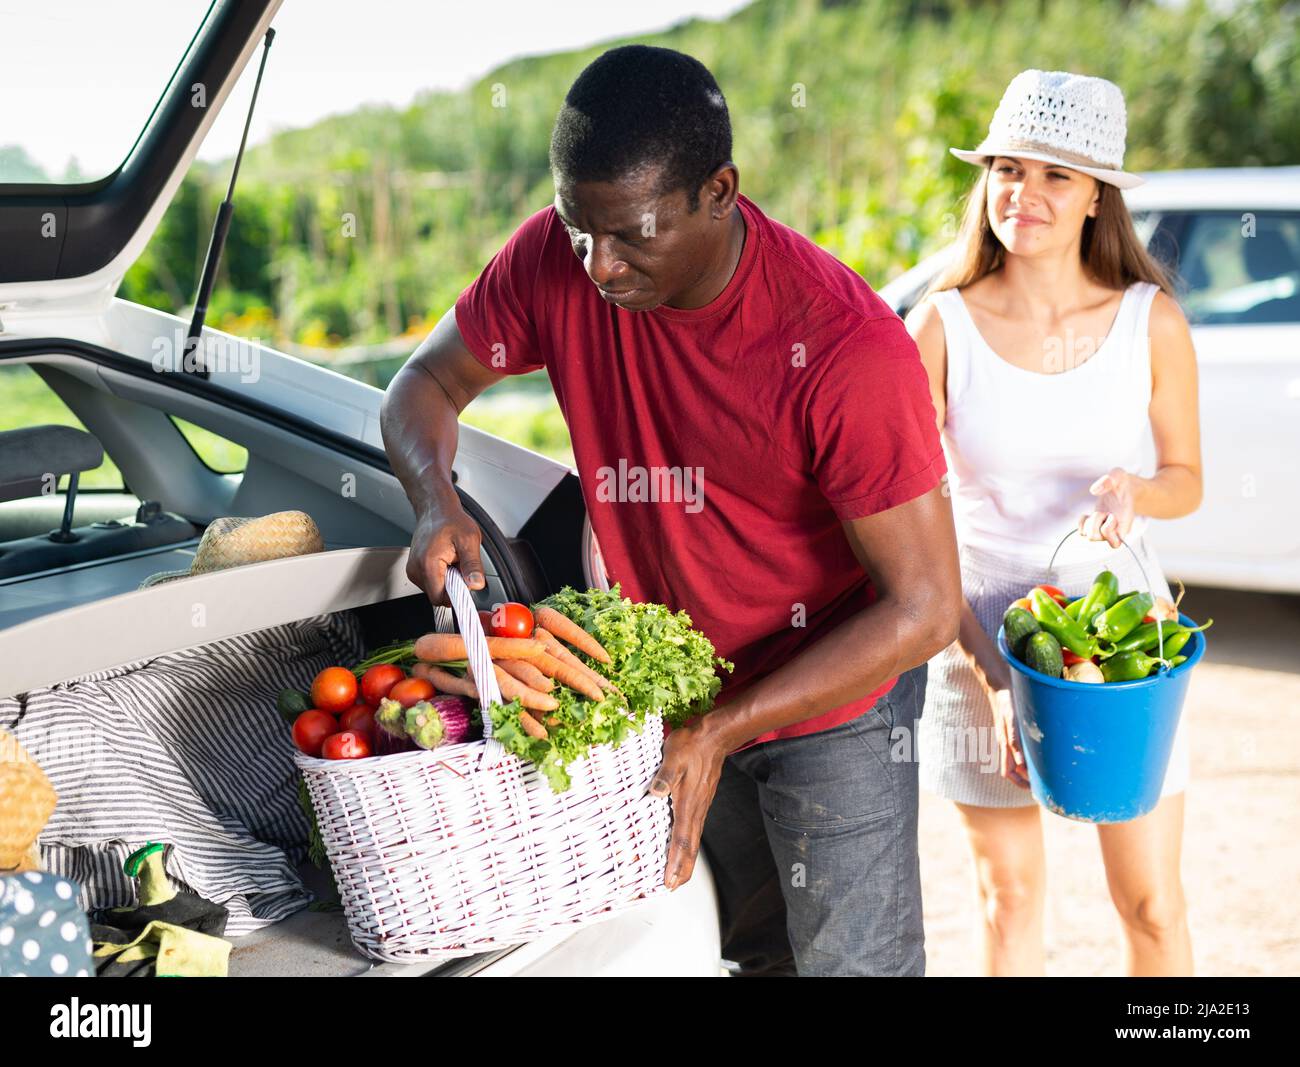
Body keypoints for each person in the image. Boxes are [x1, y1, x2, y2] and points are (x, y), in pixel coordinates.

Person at [381, 44, 962, 976]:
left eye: (632, 237)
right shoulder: (553, 257)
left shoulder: (847, 349)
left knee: (853, 965)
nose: (598, 266)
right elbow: (423, 384)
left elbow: (926, 607)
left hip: (837, 703)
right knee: (751, 949)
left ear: (720, 192)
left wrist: (723, 730)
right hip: (687, 689)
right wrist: (432, 498)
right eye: (579, 228)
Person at [905, 70, 1203, 976]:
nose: (1022, 194)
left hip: (1123, 646)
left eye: (1055, 176)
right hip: (974, 636)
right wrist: (989, 670)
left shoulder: (1149, 321)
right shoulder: (939, 327)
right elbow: (917, 527)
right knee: (1009, 901)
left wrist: (1135, 492)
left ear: (1095, 199)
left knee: (1151, 903)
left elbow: (1187, 479)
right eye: (1007, 168)